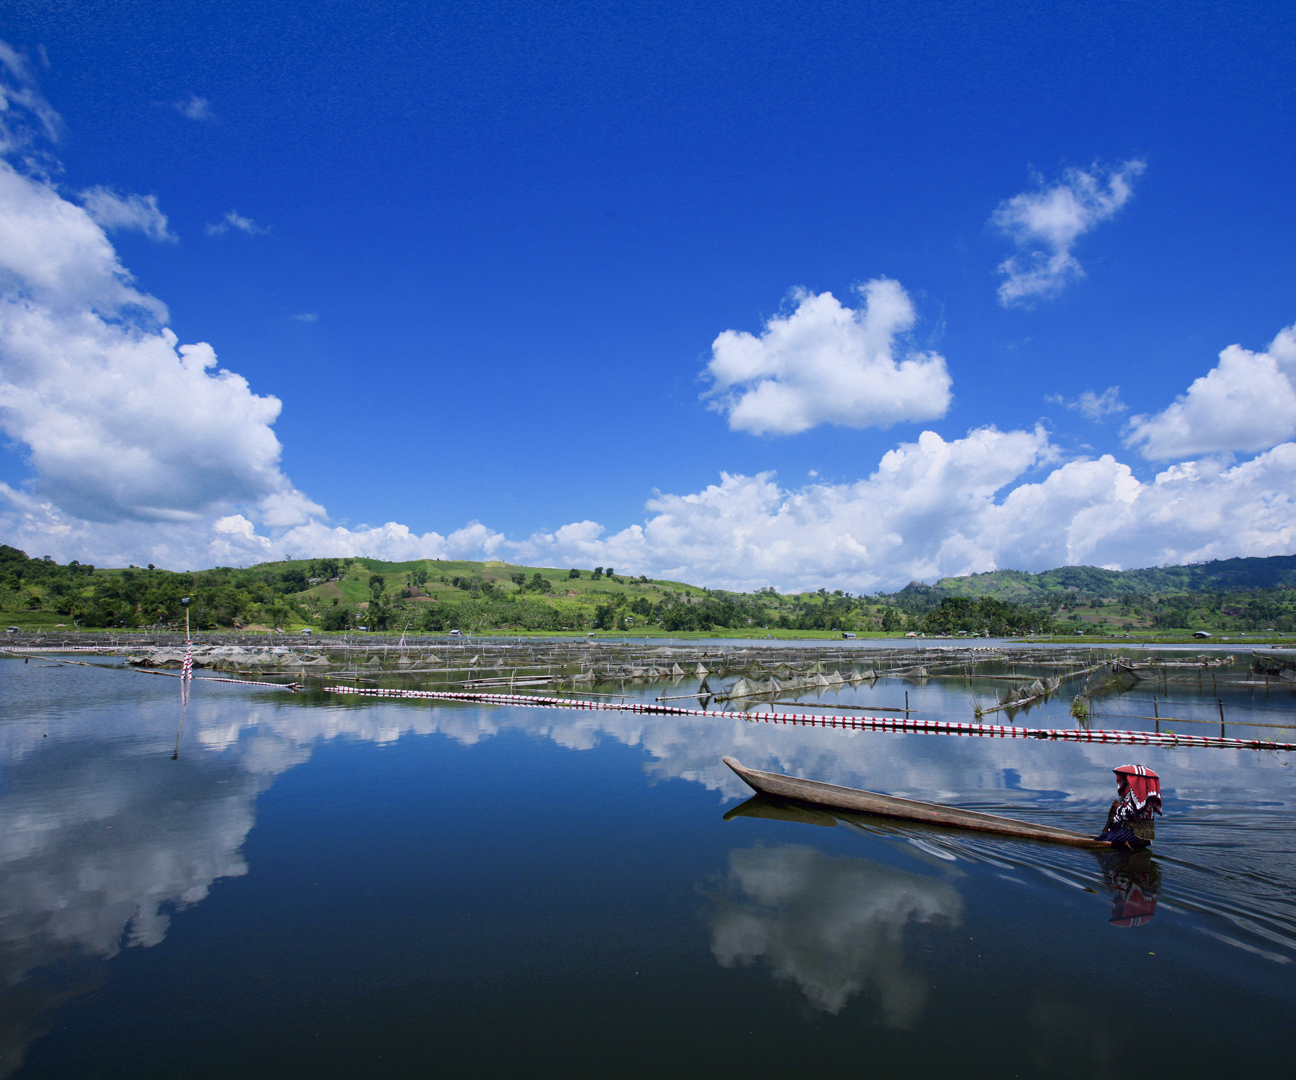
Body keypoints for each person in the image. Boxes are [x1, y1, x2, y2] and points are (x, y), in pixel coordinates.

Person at [1094, 764, 1162, 849]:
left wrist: (1118, 807)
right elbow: (1122, 815)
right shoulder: (1131, 794)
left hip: (1135, 831)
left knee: (1109, 840)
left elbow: (1129, 814)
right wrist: (1109, 827)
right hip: (1129, 828)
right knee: (1103, 836)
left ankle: (1131, 844)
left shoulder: (1140, 797)